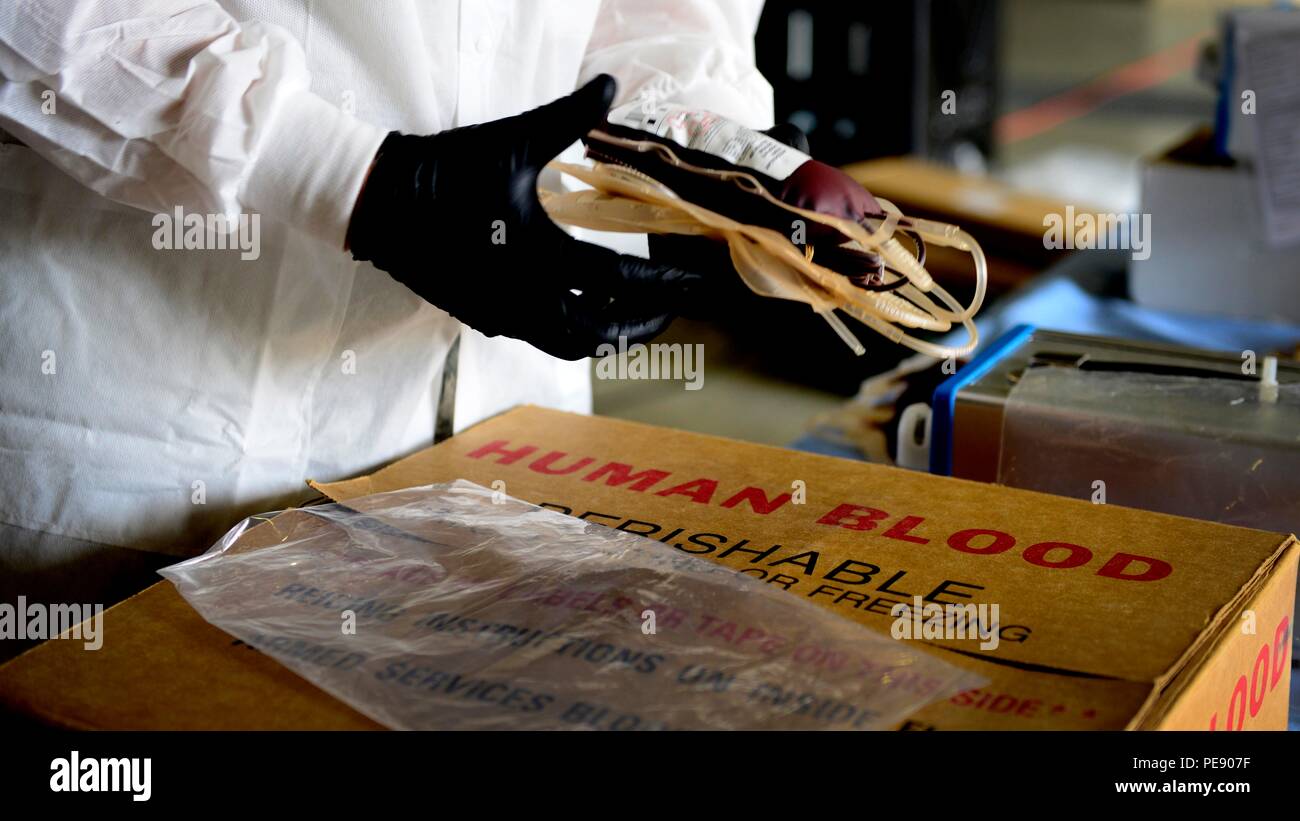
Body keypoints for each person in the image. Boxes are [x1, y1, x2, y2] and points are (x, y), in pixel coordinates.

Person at [0, 1, 778, 622]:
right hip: (154, 423)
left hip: (513, 433)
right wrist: (344, 177)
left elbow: (658, 14)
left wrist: (708, 136)